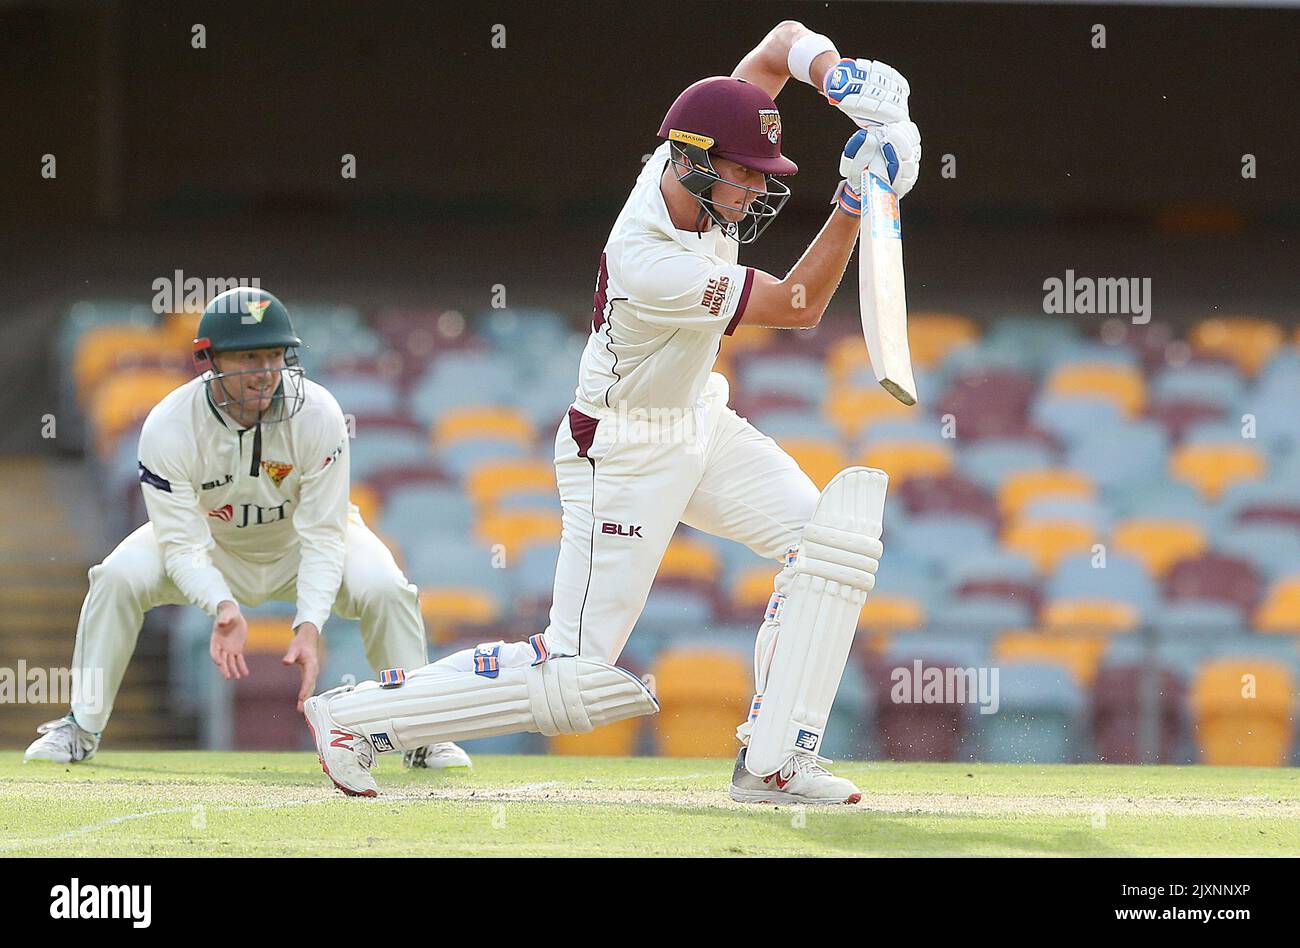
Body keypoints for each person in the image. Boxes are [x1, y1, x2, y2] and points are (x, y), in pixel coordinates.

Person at [303, 20, 920, 802]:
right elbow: (797, 306)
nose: (760, 189)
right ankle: (356, 717)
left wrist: (836, 77)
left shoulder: (687, 168)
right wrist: (854, 198)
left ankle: (773, 760)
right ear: (692, 166)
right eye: (747, 174)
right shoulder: (650, 261)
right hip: (623, 449)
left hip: (698, 419)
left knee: (828, 545)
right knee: (577, 674)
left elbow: (775, 46)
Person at [25, 287, 471, 773]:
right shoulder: (169, 427)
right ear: (210, 361)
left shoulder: (319, 413)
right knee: (115, 578)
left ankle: (423, 736)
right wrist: (221, 605)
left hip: (302, 545)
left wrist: (309, 622)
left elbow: (324, 533)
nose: (265, 372)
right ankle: (82, 727)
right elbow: (180, 541)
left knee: (387, 589)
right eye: (249, 357)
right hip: (209, 546)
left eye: (275, 355)